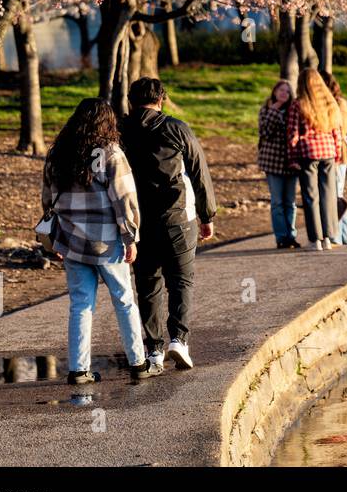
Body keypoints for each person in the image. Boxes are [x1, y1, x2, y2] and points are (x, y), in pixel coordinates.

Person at [42, 98, 156, 384]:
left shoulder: (58, 154)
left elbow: (48, 199)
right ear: (107, 122)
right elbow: (124, 200)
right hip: (108, 243)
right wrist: (131, 237)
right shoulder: (111, 154)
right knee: (124, 301)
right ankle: (138, 363)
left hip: (72, 243)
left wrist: (56, 239)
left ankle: (79, 370)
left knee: (80, 305)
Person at [122, 77, 217, 371]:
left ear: (131, 101)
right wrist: (208, 215)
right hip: (177, 218)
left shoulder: (121, 130)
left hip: (138, 221)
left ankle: (153, 350)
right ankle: (179, 339)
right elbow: (199, 172)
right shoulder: (176, 128)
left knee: (148, 284)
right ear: (161, 99)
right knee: (181, 280)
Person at [288, 68, 342, 251]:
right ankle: (328, 237)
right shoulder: (330, 103)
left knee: (311, 197)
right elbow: (337, 130)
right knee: (328, 195)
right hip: (328, 151)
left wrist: (292, 157)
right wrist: (338, 151)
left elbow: (292, 134)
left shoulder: (298, 104)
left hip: (308, 153)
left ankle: (315, 240)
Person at [258, 80, 299, 249]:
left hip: (291, 162)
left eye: (287, 92)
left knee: (290, 202)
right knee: (277, 202)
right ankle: (281, 237)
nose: (284, 93)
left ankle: (291, 235)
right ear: (274, 91)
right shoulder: (266, 109)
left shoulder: (293, 111)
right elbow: (265, 132)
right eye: (281, 90)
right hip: (272, 162)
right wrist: (274, 112)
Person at [323, 72, 347, 246]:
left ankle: (339, 235)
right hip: (343, 153)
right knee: (336, 194)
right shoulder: (343, 103)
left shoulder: (334, 105)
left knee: (334, 196)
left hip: (336, 153)